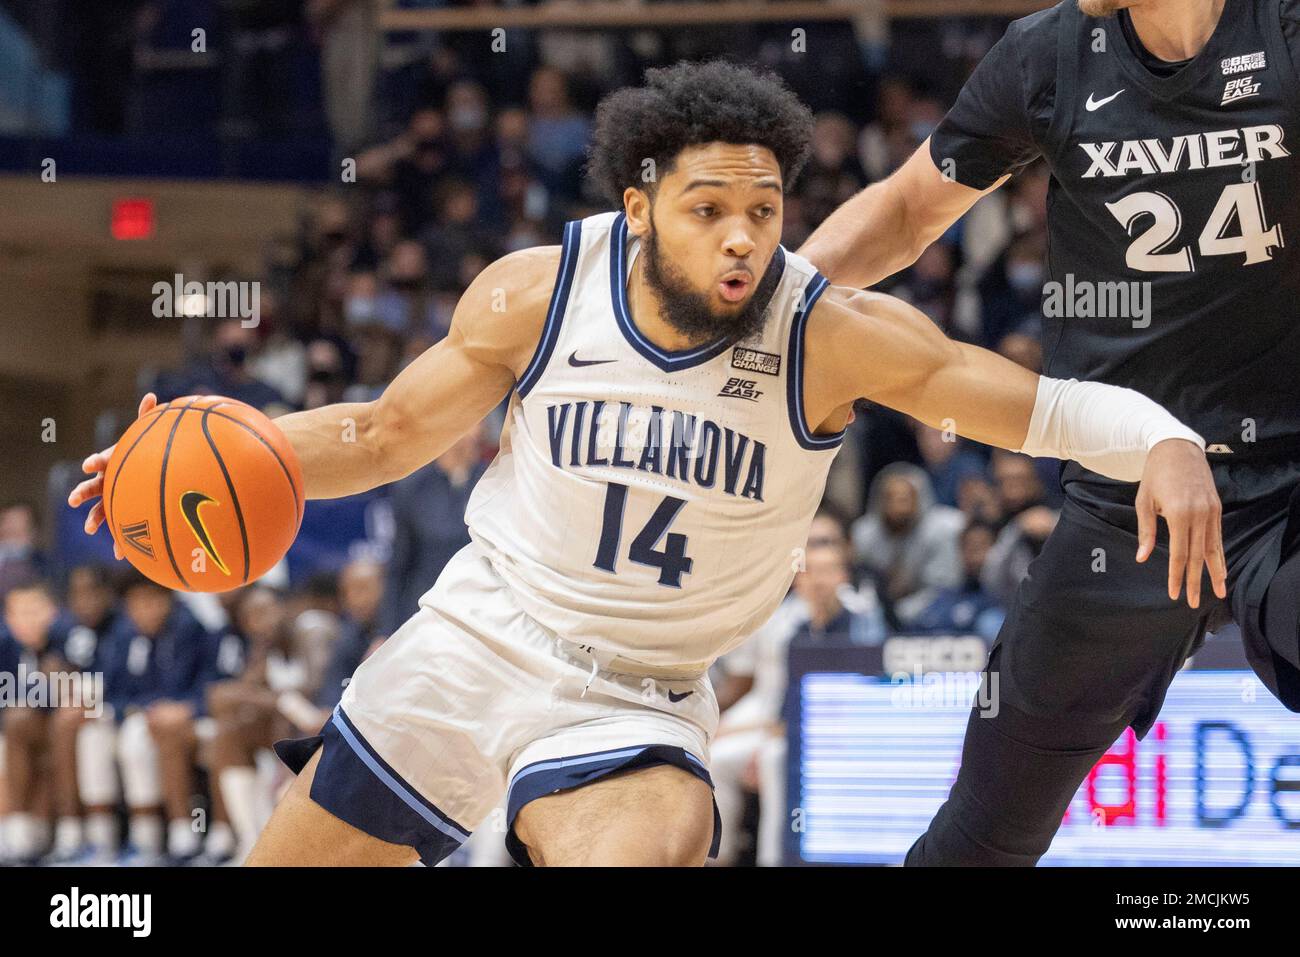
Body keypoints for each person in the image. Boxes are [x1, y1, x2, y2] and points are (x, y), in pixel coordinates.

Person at [71, 60, 1220, 868]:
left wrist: (1162, 439)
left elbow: (1039, 405)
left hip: (634, 693)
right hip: (475, 639)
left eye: (763, 210)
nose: (741, 237)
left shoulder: (829, 333)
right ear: (638, 207)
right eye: (708, 206)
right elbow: (377, 436)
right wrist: (220, 456)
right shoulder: (534, 291)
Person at [800, 0, 1300, 865]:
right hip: (1126, 492)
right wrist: (775, 303)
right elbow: (909, 211)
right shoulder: (1050, 54)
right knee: (985, 831)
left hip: (1288, 479)